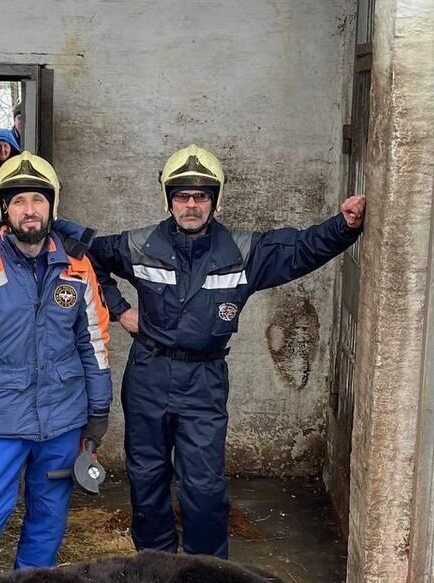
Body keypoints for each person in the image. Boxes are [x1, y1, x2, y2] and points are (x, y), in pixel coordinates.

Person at [89, 144, 366, 559]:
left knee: (203, 484)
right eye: (182, 196)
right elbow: (89, 257)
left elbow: (301, 249)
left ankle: (206, 576)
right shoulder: (139, 243)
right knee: (146, 476)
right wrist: (119, 308)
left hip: (204, 378)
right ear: (169, 199)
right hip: (148, 373)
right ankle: (155, 567)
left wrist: (344, 227)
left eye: (201, 196)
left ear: (214, 200)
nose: (191, 205)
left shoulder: (242, 251)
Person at [0, 152, 112, 583]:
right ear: (4, 210)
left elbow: (94, 341)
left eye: (37, 199)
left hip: (62, 420)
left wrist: (100, 408)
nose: (29, 209)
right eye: (18, 201)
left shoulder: (77, 265)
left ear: (51, 205)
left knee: (48, 519)